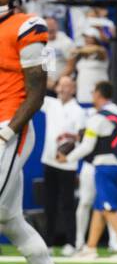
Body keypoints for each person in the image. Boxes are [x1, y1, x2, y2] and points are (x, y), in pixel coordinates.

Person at [0, 0, 84, 264]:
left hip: (9, 128)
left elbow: (36, 91)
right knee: (12, 221)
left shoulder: (27, 26)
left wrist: (8, 132)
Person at [66, 81, 117, 260]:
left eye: (93, 93)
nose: (92, 96)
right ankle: (90, 248)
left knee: (109, 207)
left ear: (99, 94)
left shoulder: (97, 118)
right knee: (100, 207)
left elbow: (87, 146)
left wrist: (67, 158)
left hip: (105, 165)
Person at [39, 74, 85, 253]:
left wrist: (67, 154)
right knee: (49, 203)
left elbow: (80, 136)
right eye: (61, 86)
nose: (63, 89)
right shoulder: (50, 104)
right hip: (49, 160)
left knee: (67, 203)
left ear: (73, 89)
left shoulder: (79, 110)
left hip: (67, 163)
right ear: (56, 88)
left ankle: (71, 243)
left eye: (67, 86)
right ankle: (48, 243)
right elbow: (34, 95)